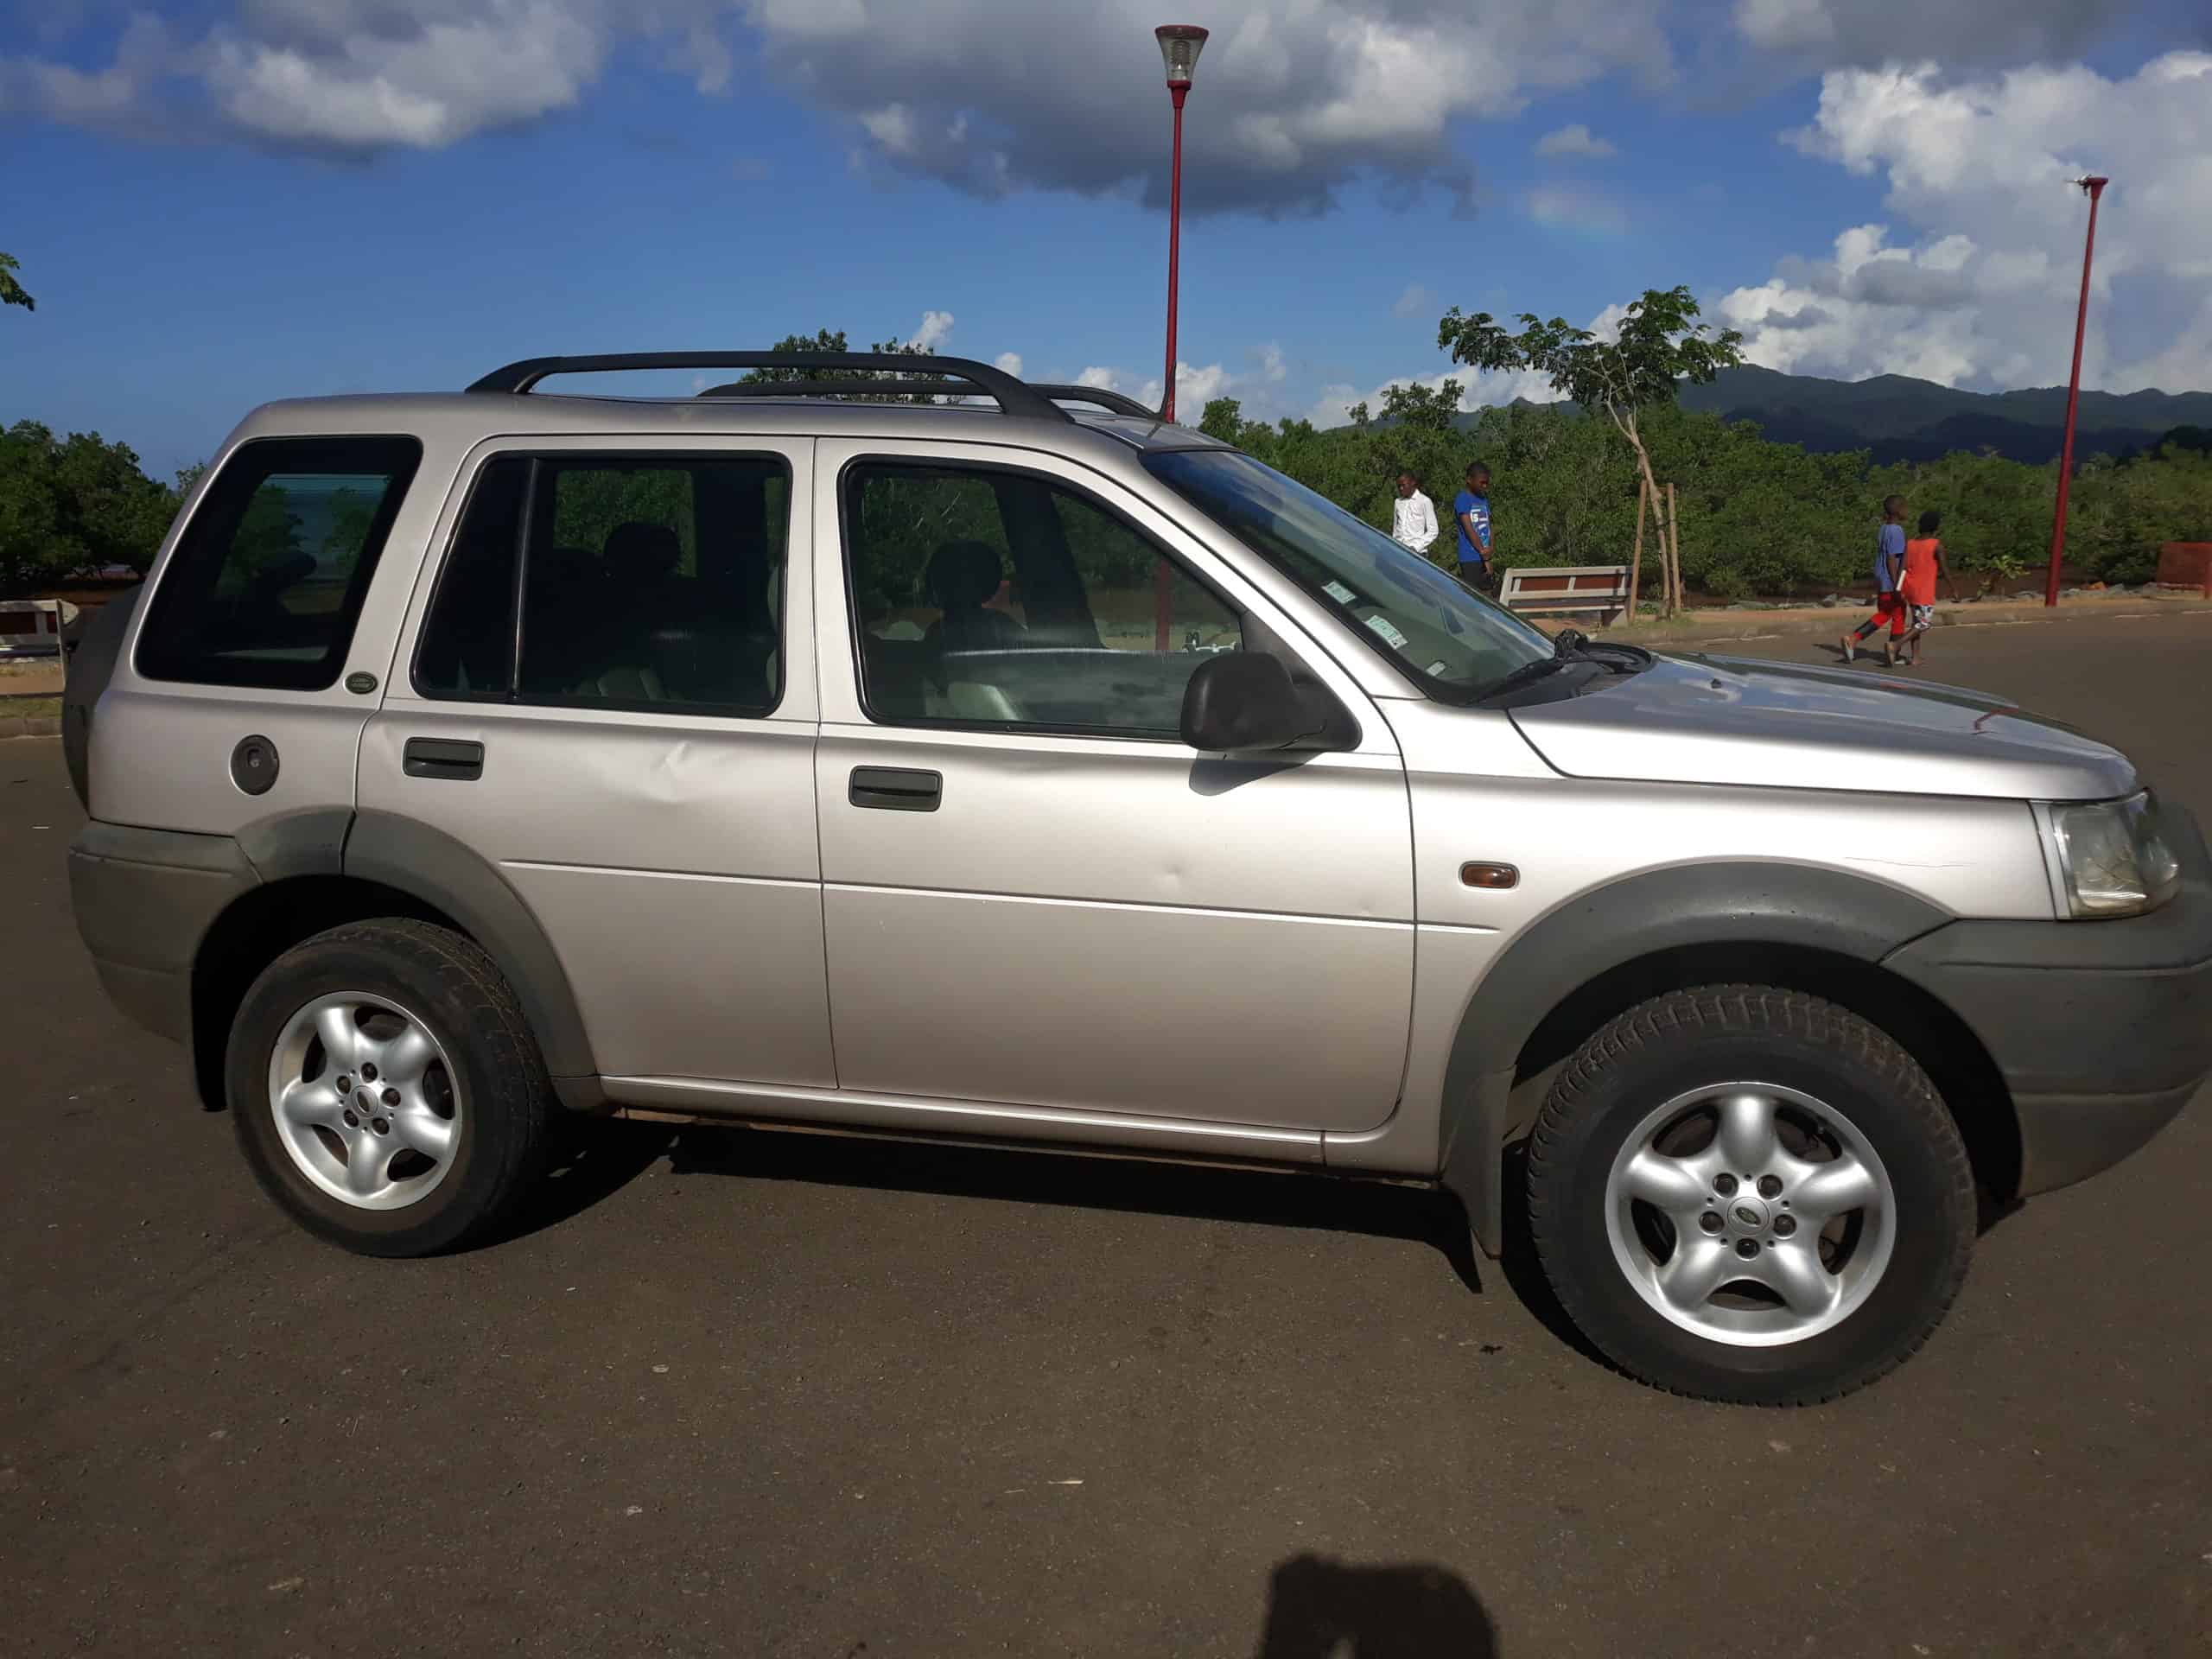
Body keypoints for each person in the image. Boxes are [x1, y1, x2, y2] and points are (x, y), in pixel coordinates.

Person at [1840, 495, 1910, 666]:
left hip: (1881, 578)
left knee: (1888, 613)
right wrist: (1897, 585)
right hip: (1890, 580)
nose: (1908, 511)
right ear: (1899, 510)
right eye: (1906, 508)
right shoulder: (1897, 531)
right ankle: (1858, 640)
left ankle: (1890, 652)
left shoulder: (1883, 529)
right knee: (1896, 614)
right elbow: (1892, 559)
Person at [1897, 508, 1956, 667]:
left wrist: (1899, 588)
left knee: (1916, 623)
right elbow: (1945, 571)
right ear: (1936, 527)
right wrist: (1953, 589)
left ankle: (1915, 657)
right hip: (1923, 592)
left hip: (1909, 589)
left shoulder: (1910, 544)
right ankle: (1895, 645)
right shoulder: (1936, 546)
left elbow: (1902, 568)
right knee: (1924, 624)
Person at [1453, 463, 1494, 587]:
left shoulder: (1483, 499)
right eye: (1482, 482)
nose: (1485, 486)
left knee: (1487, 593)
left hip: (1485, 554)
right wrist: (1484, 555)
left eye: (1486, 483)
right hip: (1470, 557)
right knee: (1475, 594)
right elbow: (1469, 529)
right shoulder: (1463, 498)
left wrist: (1491, 548)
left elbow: (1489, 526)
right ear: (1469, 480)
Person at [1390, 470, 1439, 555]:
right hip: (1398, 549)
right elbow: (1395, 528)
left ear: (1413, 483)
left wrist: (1416, 547)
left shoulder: (1424, 501)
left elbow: (1433, 530)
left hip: (1416, 552)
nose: (1401, 488)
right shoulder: (1398, 502)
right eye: (1399, 486)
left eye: (1403, 485)